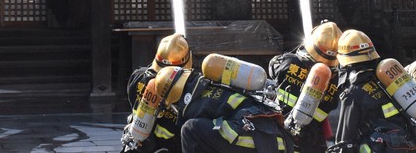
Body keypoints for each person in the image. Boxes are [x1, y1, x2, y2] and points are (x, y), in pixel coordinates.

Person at [122, 54, 294, 153]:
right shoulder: (206, 82)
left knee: (190, 129)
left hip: (260, 141)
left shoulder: (192, 107)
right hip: (273, 136)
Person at [331, 29, 416, 153]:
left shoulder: (353, 92)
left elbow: (345, 139)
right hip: (409, 144)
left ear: (346, 62)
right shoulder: (388, 78)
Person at [268, 20, 342, 152]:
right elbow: (332, 105)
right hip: (312, 140)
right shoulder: (334, 81)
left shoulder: (290, 62)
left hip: (278, 131)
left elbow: (273, 68)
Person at [126, 33, 193, 153]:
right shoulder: (189, 89)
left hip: (138, 142)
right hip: (171, 147)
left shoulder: (138, 76)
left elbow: (132, 101)